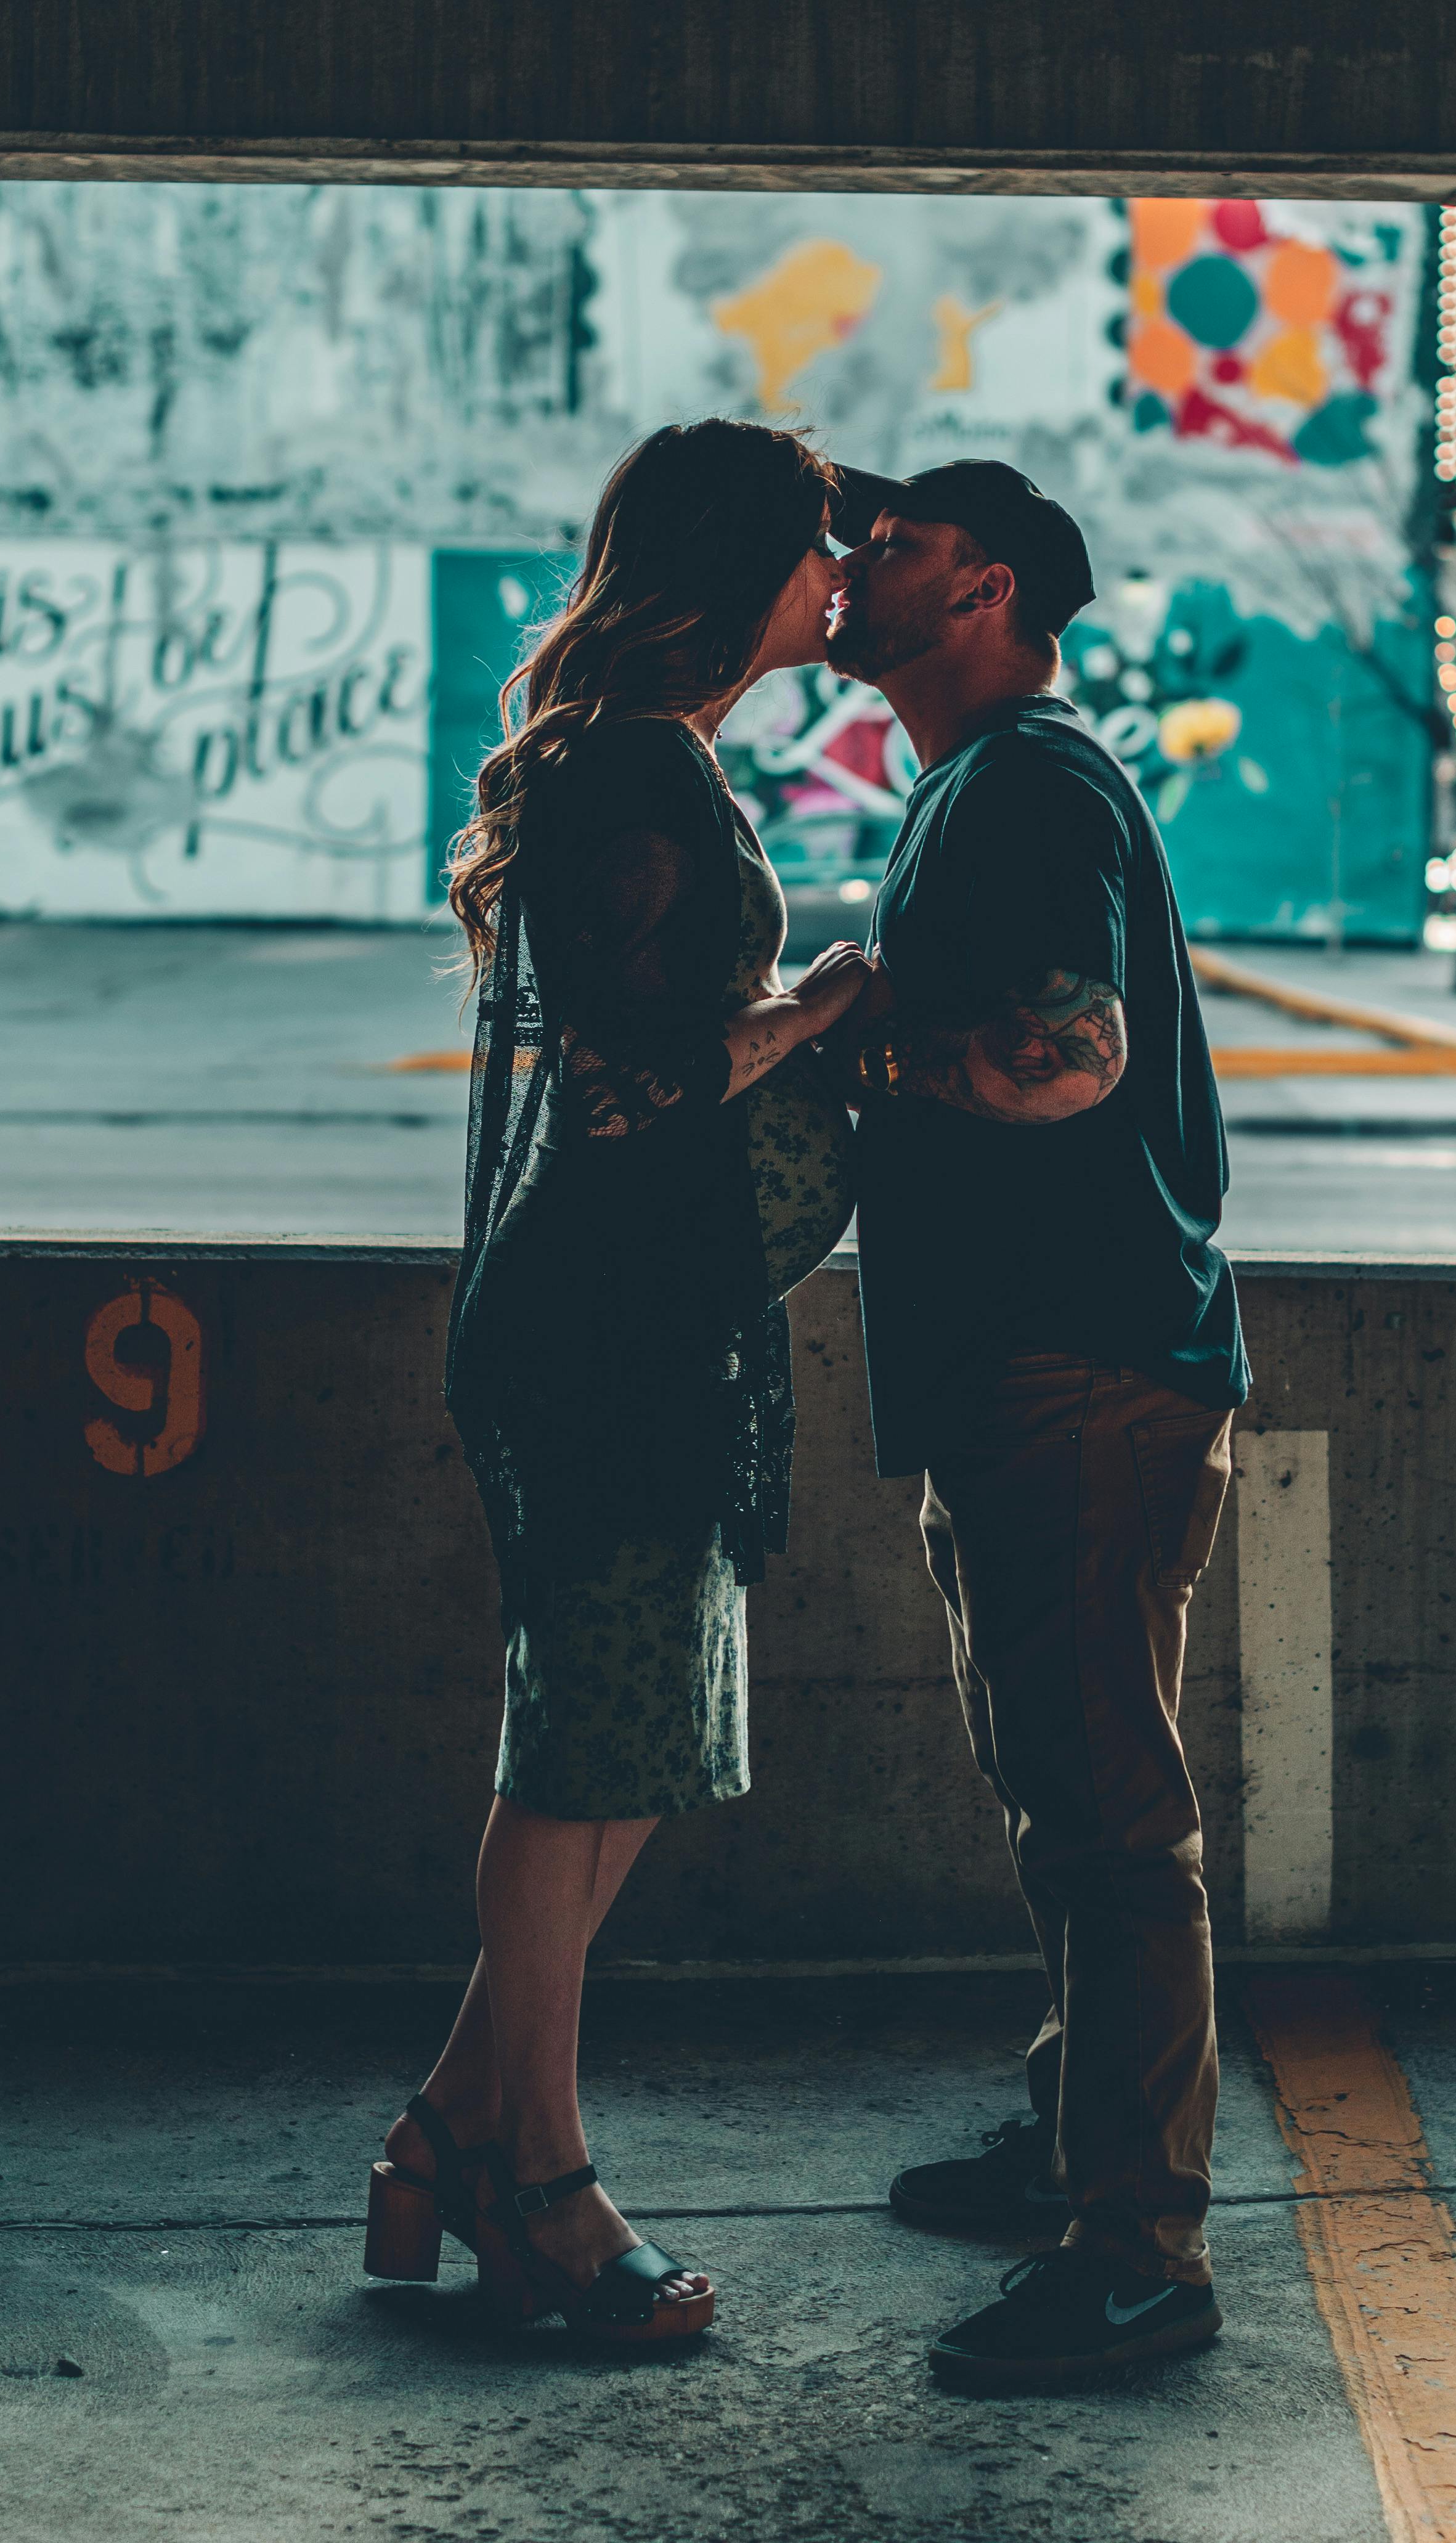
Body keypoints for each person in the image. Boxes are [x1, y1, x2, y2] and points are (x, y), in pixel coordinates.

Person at [366, 420, 872, 2349]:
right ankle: (537, 2186)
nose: (838, 577)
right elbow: (623, 1085)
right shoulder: (642, 769)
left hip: (618, 1323)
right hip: (603, 1334)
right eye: (819, 545)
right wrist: (821, 1007)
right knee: (582, 1760)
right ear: (741, 560)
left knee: (625, 1745)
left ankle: (444, 2132)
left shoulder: (640, 757)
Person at [823, 457, 1250, 2394]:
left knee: (1109, 1817)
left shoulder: (1023, 786)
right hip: (1042, 1368)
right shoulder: (983, 783)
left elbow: (1074, 1057)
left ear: (987, 586)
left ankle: (1139, 2251)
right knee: (1059, 1792)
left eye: (892, 545)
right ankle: (1080, 2142)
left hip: (1079, 1374)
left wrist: (864, 1042)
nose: (852, 567)